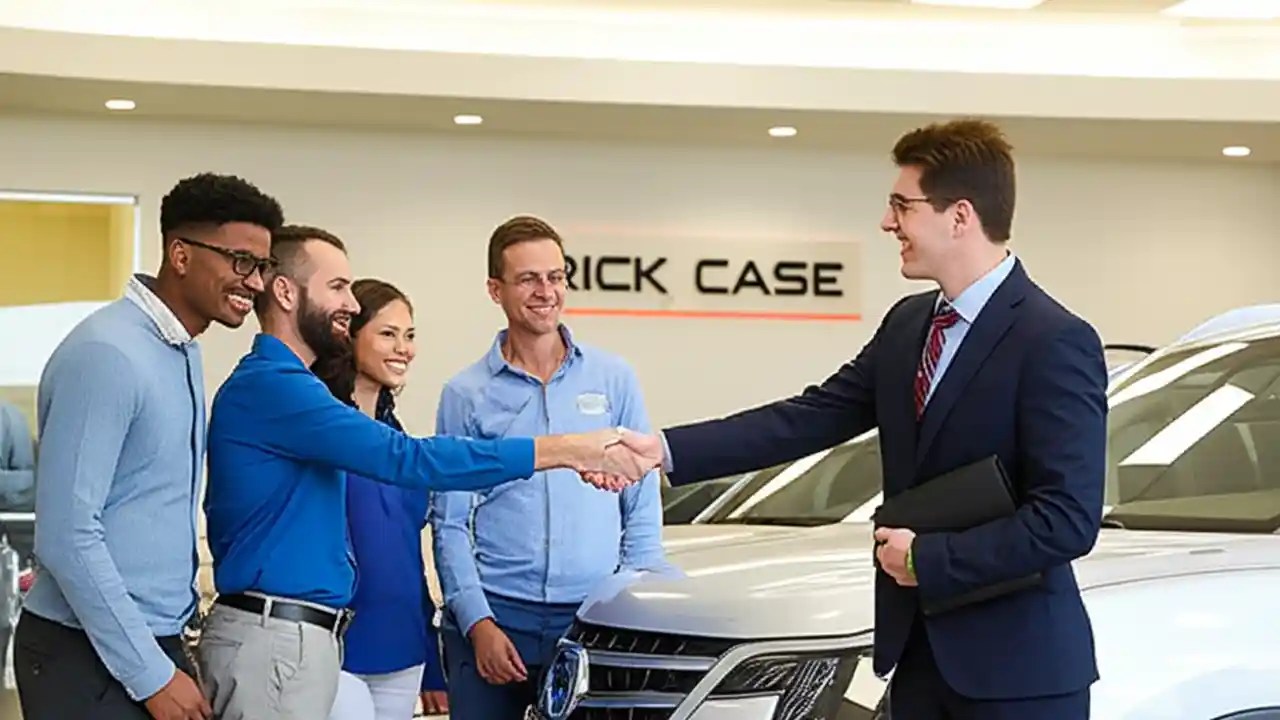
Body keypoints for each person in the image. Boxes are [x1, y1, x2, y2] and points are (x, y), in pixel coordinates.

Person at [617, 119, 1108, 719]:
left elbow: (1067, 519)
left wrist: (929, 560)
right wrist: (662, 449)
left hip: (1023, 674)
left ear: (959, 216)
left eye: (902, 205)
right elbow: (810, 416)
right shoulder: (908, 326)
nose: (886, 222)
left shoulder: (1055, 340)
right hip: (920, 663)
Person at [197, 224, 653, 720]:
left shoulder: (297, 393)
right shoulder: (277, 389)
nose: (351, 304)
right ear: (285, 292)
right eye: (338, 288)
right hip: (282, 639)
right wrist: (565, 449)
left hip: (320, 641)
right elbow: (411, 461)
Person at [14, 173, 284, 720]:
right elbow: (66, 535)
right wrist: (151, 673)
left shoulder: (181, 350)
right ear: (180, 254)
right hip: (84, 650)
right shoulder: (109, 353)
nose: (254, 282)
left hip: (147, 639)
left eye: (262, 266)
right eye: (240, 261)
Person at [431, 215, 667, 719]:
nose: (546, 291)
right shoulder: (465, 395)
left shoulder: (613, 378)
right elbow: (450, 523)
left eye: (556, 276)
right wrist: (477, 623)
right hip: (497, 618)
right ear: (495, 290)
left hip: (593, 617)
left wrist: (627, 604)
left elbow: (642, 504)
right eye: (528, 279)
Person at [313, 278, 450, 720]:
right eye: (388, 334)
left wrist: (431, 663)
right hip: (335, 651)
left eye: (409, 336)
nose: (404, 348)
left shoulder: (400, 442)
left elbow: (409, 558)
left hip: (402, 650)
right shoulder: (322, 433)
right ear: (349, 337)